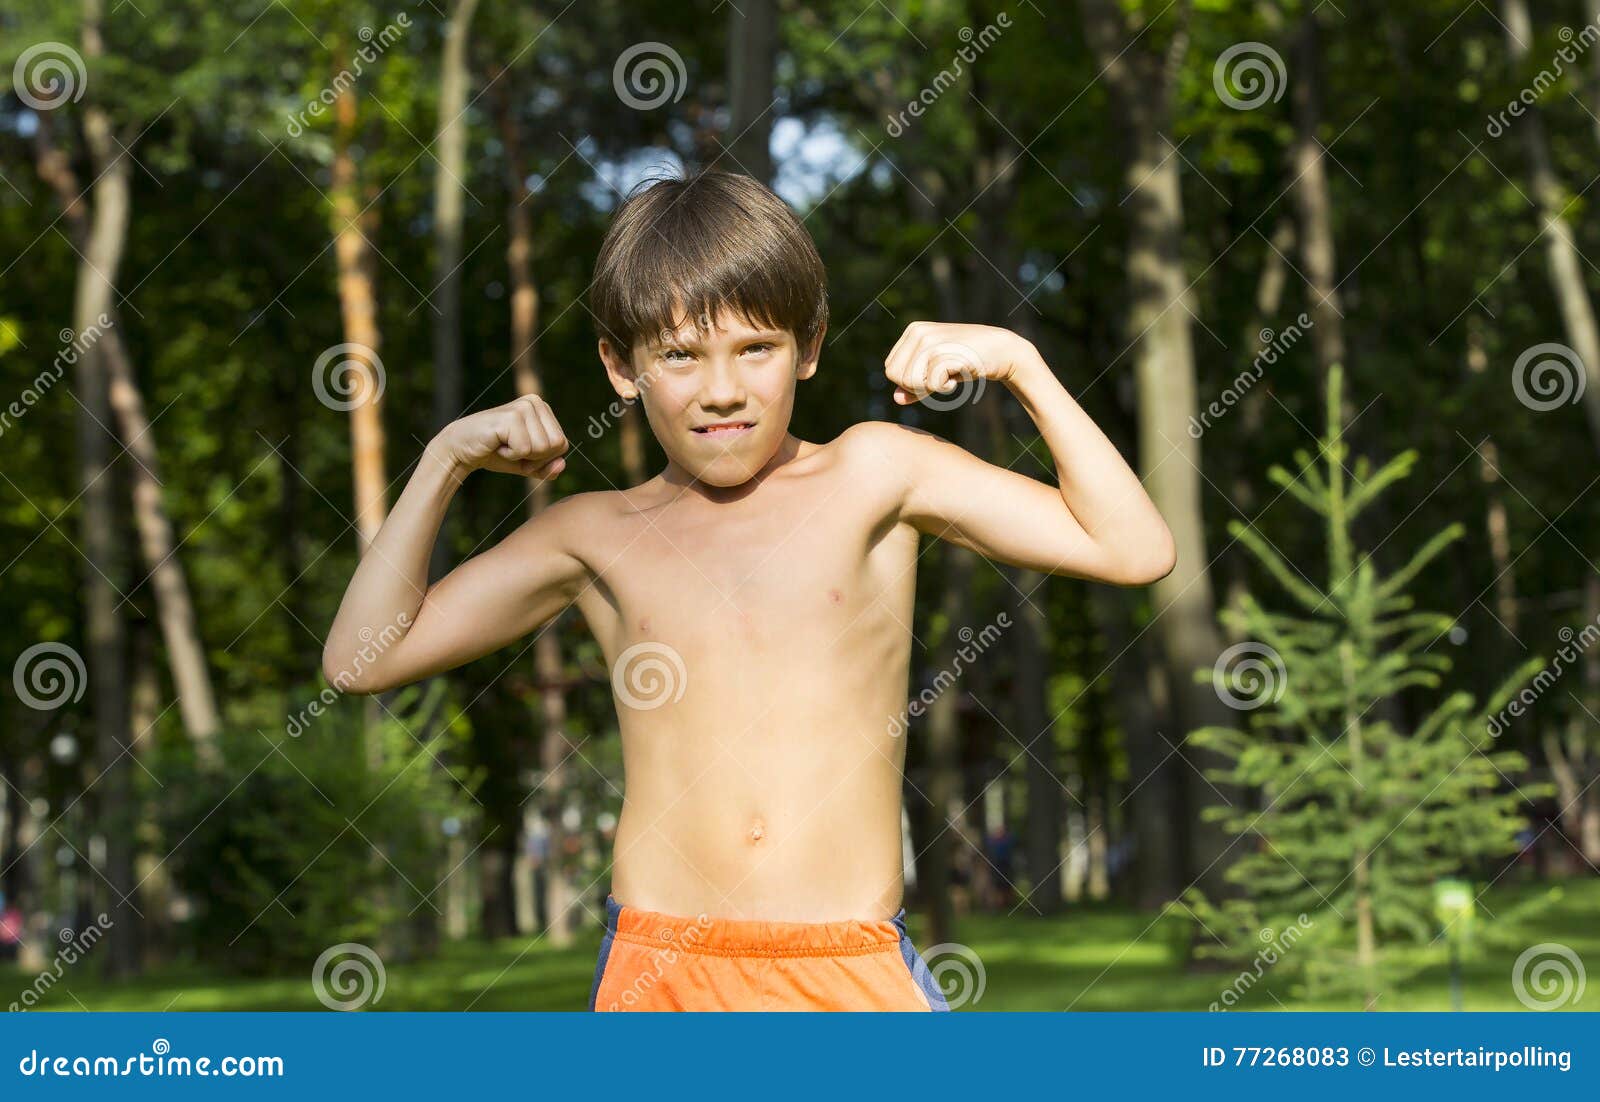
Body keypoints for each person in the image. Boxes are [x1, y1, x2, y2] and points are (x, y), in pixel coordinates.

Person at [322, 170, 1174, 1011]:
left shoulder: (876, 473)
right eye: (679, 356)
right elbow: (361, 660)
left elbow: (1134, 548)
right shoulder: (594, 532)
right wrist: (444, 461)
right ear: (621, 366)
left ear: (809, 346)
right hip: (658, 972)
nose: (721, 390)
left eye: (755, 349)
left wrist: (1021, 365)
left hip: (848, 966)